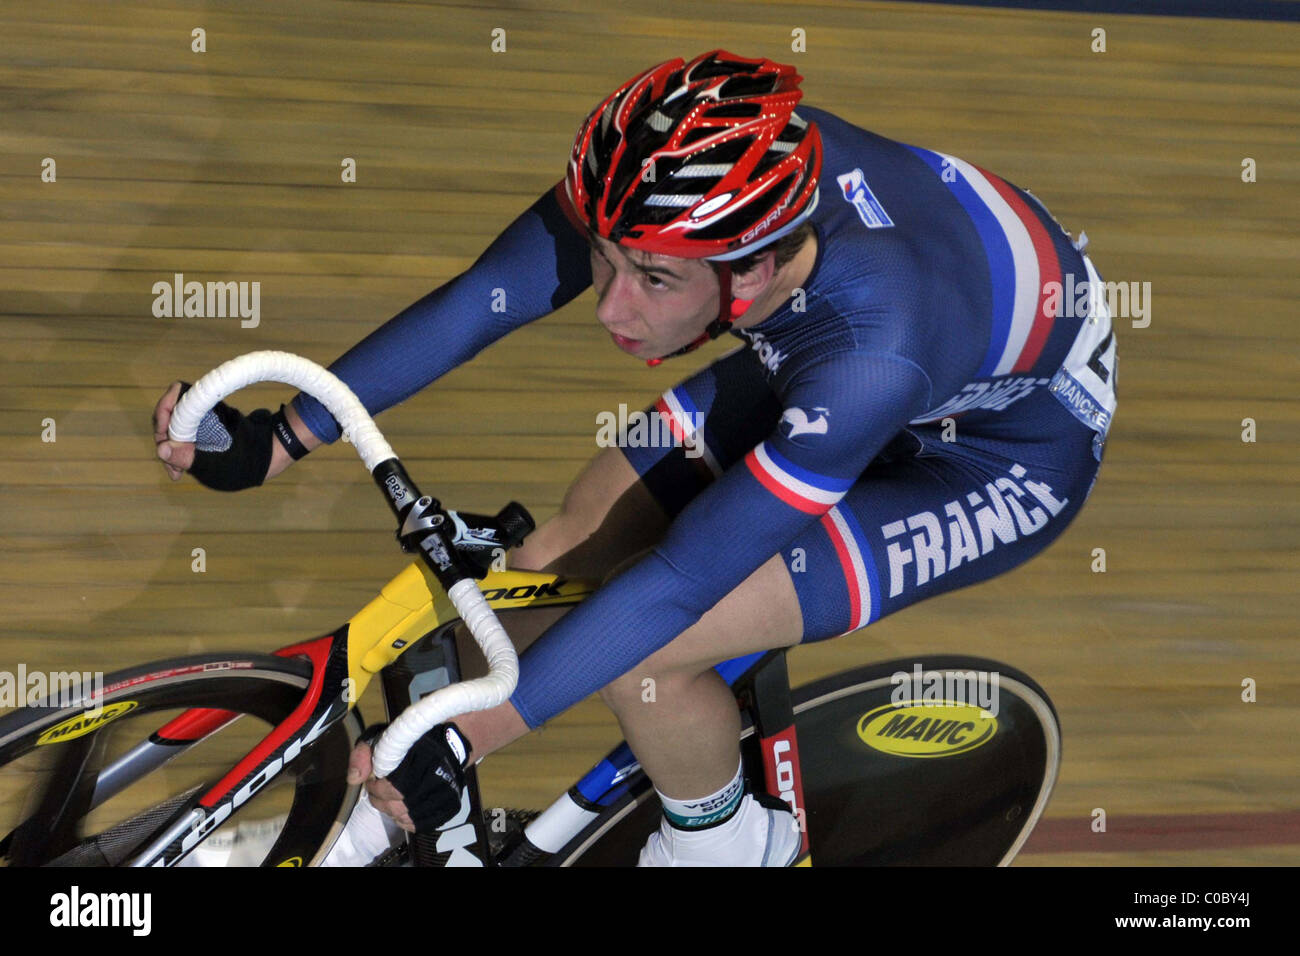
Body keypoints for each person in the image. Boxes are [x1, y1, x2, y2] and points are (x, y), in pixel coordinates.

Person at [153, 50, 1116, 867]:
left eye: (652, 279)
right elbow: (480, 301)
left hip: (1001, 454)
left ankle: (725, 846)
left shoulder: (873, 352)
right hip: (841, 346)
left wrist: (465, 733)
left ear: (756, 266)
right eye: (607, 259)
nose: (612, 308)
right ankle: (361, 835)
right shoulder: (687, 173)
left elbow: (678, 583)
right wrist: (283, 439)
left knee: (652, 656)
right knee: (561, 553)